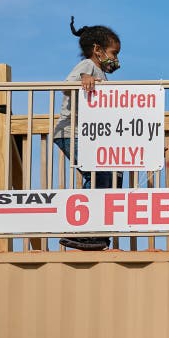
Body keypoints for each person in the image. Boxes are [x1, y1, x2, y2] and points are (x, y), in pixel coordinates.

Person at [53, 17, 123, 251]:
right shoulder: (89, 67)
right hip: (70, 131)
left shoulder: (103, 75)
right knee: (98, 172)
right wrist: (84, 79)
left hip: (88, 135)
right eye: (113, 53)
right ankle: (85, 230)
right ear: (97, 50)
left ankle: (98, 233)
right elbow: (67, 84)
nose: (115, 60)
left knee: (111, 175)